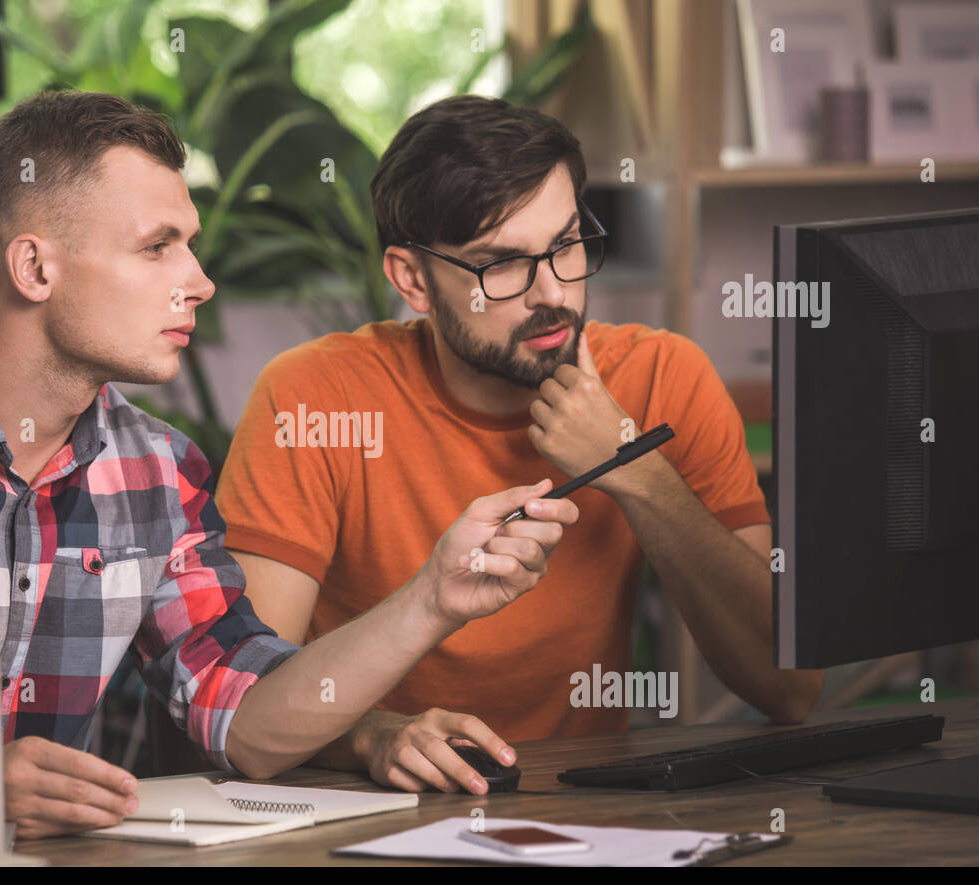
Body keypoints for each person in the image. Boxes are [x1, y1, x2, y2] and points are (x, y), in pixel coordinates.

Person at [0, 91, 577, 837]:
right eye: (158, 247)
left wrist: (433, 598)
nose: (199, 280)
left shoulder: (157, 469)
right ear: (34, 267)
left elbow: (246, 721)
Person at [216, 95, 825, 795]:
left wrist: (636, 472)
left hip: (590, 812)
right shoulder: (315, 396)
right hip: (370, 811)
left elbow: (790, 688)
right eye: (501, 265)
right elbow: (240, 705)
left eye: (566, 246)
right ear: (412, 280)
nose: (553, 294)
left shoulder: (663, 377)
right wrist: (369, 734)